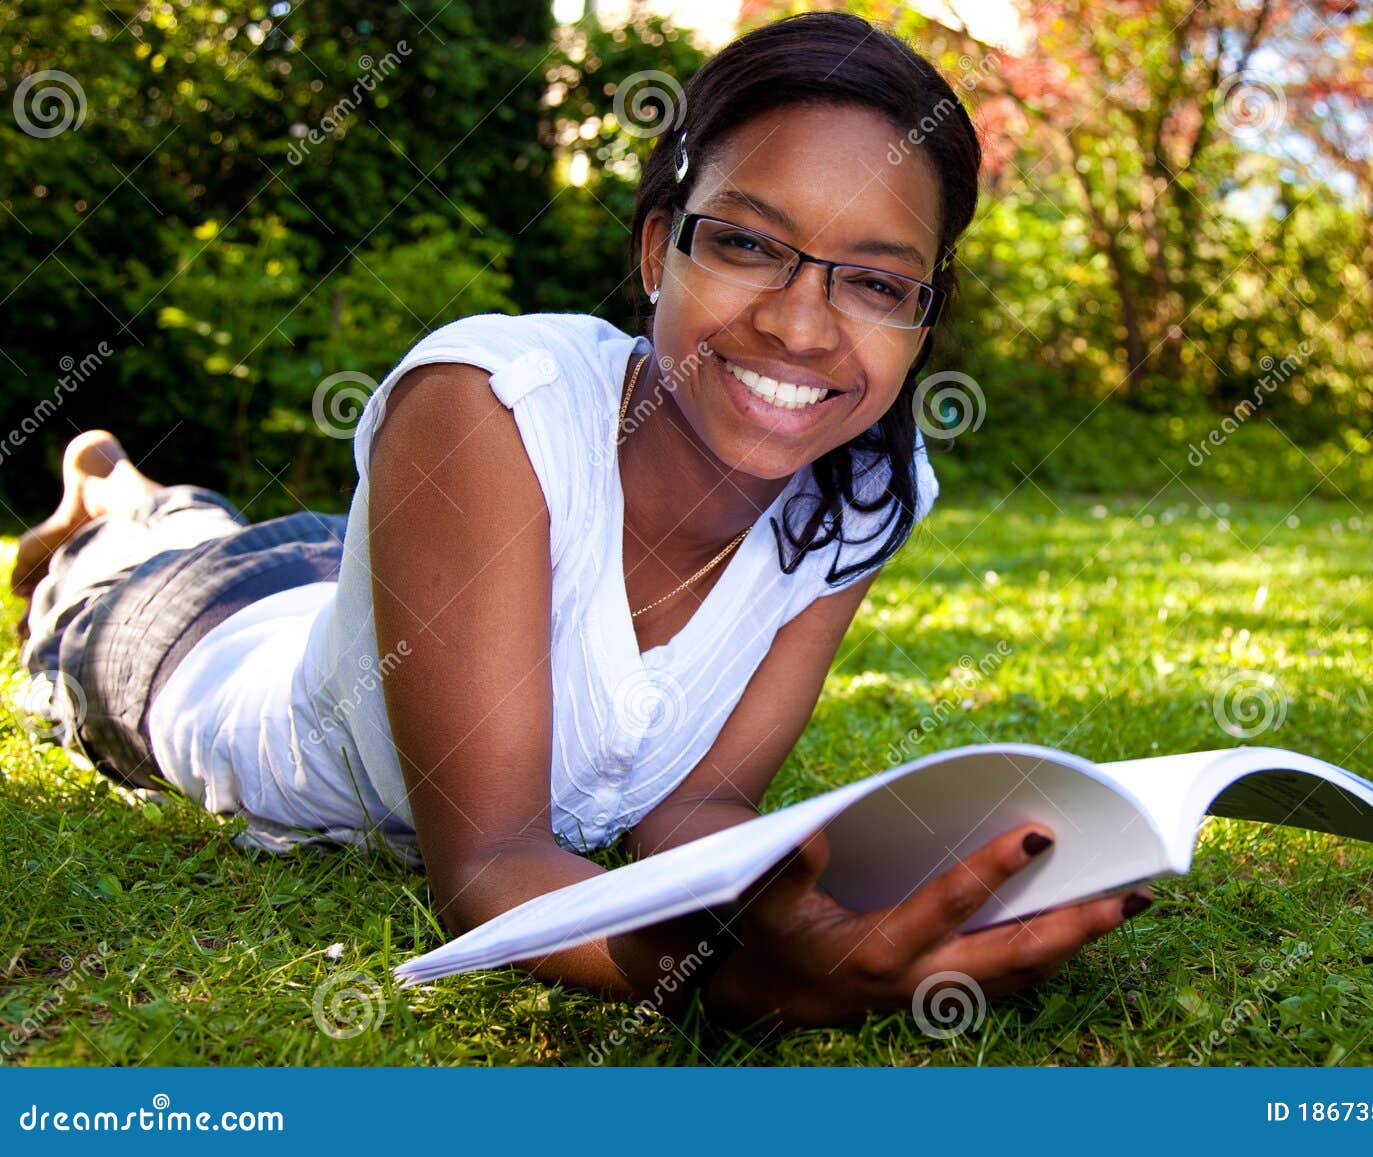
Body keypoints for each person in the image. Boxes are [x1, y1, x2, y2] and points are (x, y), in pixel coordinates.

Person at [10, 11, 1153, 1030]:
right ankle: (108, 498)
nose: (804, 328)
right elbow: (492, 863)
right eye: (750, 244)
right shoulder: (485, 402)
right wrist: (752, 984)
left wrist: (828, 897)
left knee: (257, 540)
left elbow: (697, 803)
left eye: (873, 281)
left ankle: (140, 497)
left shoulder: (866, 487)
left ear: (922, 315)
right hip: (200, 639)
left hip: (372, 573)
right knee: (122, 568)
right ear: (660, 246)